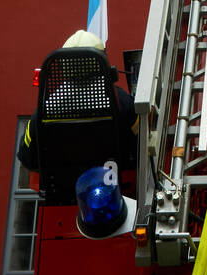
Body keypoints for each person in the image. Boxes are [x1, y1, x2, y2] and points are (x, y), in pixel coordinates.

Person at [17, 29, 138, 175]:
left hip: (60, 191)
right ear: (102, 59)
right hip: (109, 187)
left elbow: (27, 156)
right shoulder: (120, 100)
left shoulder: (47, 107)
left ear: (63, 64)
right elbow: (139, 147)